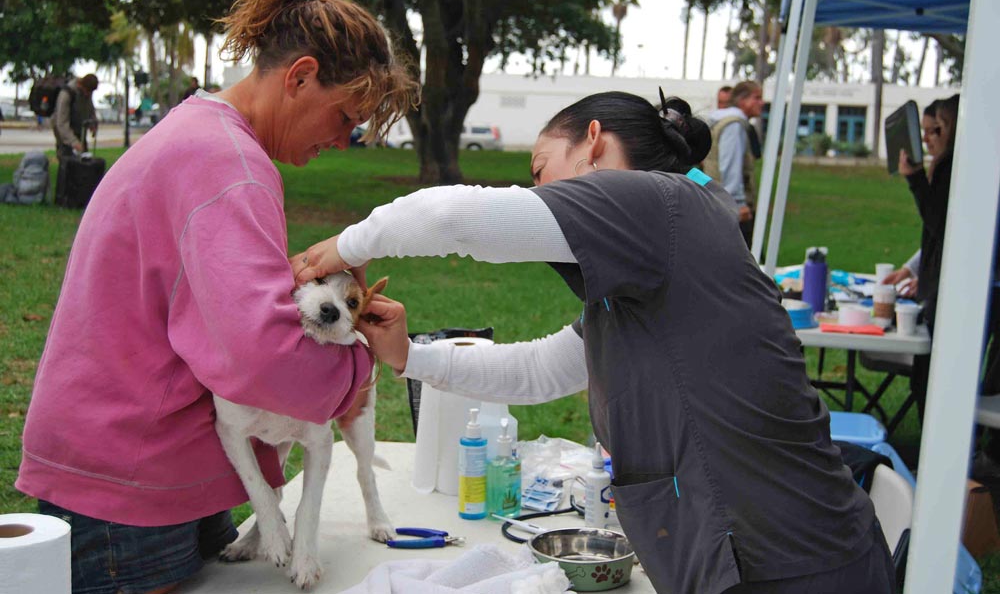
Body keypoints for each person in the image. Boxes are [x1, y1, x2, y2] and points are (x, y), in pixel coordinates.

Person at [295, 90, 895, 594]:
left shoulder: (662, 202)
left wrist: (342, 249)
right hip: (765, 555)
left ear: (595, 141)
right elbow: (542, 371)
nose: (538, 190)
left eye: (541, 169)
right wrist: (408, 357)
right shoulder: (649, 259)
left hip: (798, 561)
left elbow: (459, 216)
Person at [17, 0, 416, 594]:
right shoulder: (229, 164)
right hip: (127, 481)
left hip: (147, 463)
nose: (344, 141)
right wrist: (365, 365)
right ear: (301, 76)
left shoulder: (200, 133)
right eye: (344, 117)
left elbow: (224, 319)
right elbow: (266, 356)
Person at [899, 94, 959, 422]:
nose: (927, 139)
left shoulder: (954, 168)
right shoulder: (946, 167)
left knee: (932, 377)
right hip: (935, 287)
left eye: (936, 130)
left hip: (948, 296)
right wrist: (915, 269)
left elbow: (941, 224)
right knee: (925, 375)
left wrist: (915, 179)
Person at [881, 100, 944, 299]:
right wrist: (910, 270)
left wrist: (916, 179)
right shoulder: (938, 169)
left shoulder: (950, 174)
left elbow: (942, 229)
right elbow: (937, 238)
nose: (925, 139)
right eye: (922, 132)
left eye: (932, 131)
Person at [705, 80, 765, 245]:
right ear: (741, 100)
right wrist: (738, 203)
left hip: (716, 200)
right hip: (730, 206)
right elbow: (729, 165)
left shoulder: (720, 122)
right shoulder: (733, 125)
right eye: (756, 98)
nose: (762, 102)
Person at [52, 73, 98, 157]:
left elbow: (90, 109)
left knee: (84, 158)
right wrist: (74, 142)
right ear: (81, 85)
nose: (88, 95)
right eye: (87, 91)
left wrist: (93, 124)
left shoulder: (87, 92)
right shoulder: (66, 94)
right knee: (68, 161)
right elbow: (61, 123)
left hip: (80, 130)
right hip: (64, 135)